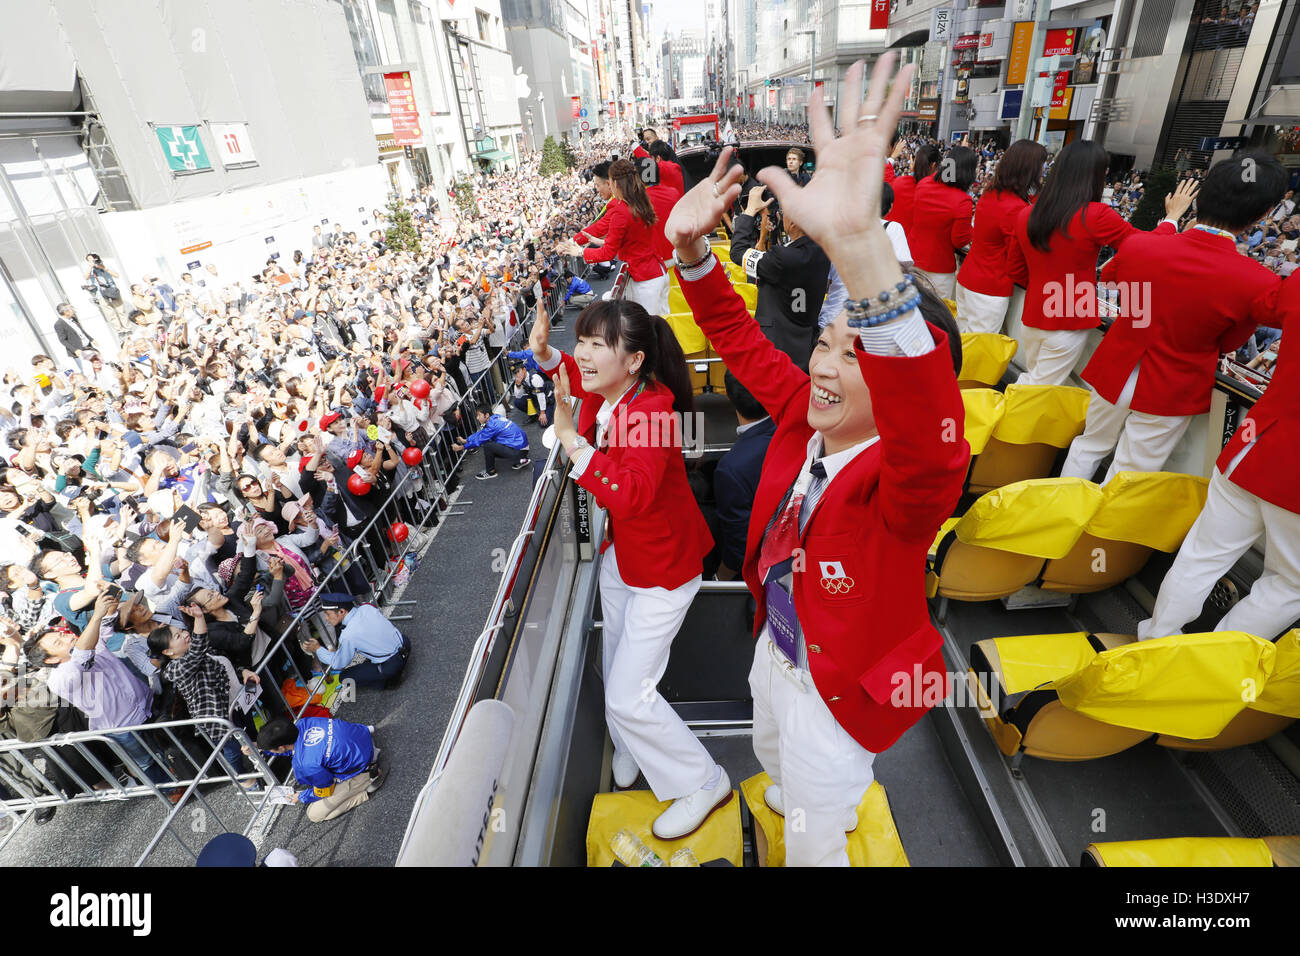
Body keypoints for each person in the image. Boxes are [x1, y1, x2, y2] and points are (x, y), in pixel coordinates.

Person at [664, 55, 969, 865]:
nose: (827, 367)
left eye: (859, 354)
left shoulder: (908, 482)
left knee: (815, 834)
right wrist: (693, 256)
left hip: (839, 697)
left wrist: (864, 250)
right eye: (828, 345)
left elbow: (932, 433)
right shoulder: (804, 414)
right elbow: (737, 338)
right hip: (779, 647)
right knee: (771, 764)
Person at [529, 291, 724, 841]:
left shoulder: (653, 414)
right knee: (615, 658)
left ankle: (703, 780)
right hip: (627, 555)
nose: (583, 354)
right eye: (582, 340)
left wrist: (570, 440)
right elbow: (577, 374)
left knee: (627, 692)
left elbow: (634, 493)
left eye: (597, 344)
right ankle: (637, 742)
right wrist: (547, 355)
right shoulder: (618, 390)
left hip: (665, 566)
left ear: (634, 360)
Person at [1061, 151, 1286, 482]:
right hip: (1173, 384)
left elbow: (1109, 275)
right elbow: (1230, 342)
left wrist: (1169, 223)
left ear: (1199, 200)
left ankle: (1055, 518)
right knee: (1131, 473)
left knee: (1087, 446)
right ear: (1264, 213)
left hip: (1117, 366)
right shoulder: (1258, 280)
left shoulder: (1142, 247)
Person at [1138, 269, 1300, 642]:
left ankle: (1155, 640)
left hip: (1255, 441)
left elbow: (1265, 304)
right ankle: (1204, 671)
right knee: (1287, 586)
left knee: (1202, 555)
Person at [1007, 141, 1192, 385]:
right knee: (1035, 393)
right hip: (1068, 319)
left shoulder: (1026, 213)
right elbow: (1144, 246)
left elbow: (1015, 268)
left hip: (1033, 316)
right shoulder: (1095, 215)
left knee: (1034, 386)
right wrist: (1172, 218)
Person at [26, 589, 174, 790]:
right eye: (58, 643)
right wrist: (96, 614)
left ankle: (184, 778)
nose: (68, 638)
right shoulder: (60, 677)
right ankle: (172, 792)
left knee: (167, 749)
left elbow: (106, 623)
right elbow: (82, 655)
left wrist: (110, 602)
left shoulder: (90, 642)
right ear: (51, 659)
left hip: (146, 705)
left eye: (62, 635)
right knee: (147, 761)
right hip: (124, 727)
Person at [729, 183, 831, 372]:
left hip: (776, 352)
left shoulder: (782, 258)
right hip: (806, 348)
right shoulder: (823, 252)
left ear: (792, 223)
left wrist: (750, 210)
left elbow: (738, 252)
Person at [954, 139, 1047, 334]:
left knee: (963, 344)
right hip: (989, 289)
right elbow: (1016, 260)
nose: (1042, 172)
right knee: (980, 353)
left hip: (968, 277)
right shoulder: (1016, 208)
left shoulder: (990, 192)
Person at [564, 159, 669, 316]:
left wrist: (579, 252)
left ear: (614, 183)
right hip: (657, 272)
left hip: (645, 279)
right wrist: (600, 241)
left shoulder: (622, 210)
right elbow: (634, 238)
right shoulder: (639, 201)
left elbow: (608, 253)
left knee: (648, 333)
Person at [255, 715, 384, 823]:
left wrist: (301, 796)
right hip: (362, 737)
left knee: (314, 814)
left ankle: (369, 782)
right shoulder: (304, 722)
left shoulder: (304, 764)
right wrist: (257, 747)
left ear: (281, 747)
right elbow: (299, 748)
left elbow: (325, 789)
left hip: (363, 765)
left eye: (270, 749)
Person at [713, 372, 775, 581]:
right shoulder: (798, 430)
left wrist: (719, 578)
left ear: (728, 397)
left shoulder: (730, 469)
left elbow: (739, 547)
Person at [301, 591, 410, 689]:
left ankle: (388, 682)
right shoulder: (366, 607)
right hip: (405, 645)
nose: (326, 618)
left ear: (342, 612)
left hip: (391, 665)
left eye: (328, 614)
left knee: (345, 678)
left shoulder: (348, 634)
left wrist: (318, 649)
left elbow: (339, 662)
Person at [909, 145, 977, 298]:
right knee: (938, 315)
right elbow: (960, 240)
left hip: (915, 258)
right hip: (939, 268)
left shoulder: (924, 184)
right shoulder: (962, 200)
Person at [451, 406, 530, 479]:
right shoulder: (495, 417)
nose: (477, 418)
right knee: (490, 442)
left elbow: (480, 440)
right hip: (523, 447)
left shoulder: (492, 426)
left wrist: (461, 447)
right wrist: (466, 440)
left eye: (479, 415)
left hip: (519, 450)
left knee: (487, 445)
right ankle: (521, 460)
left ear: (487, 415)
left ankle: (490, 472)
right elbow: (481, 433)